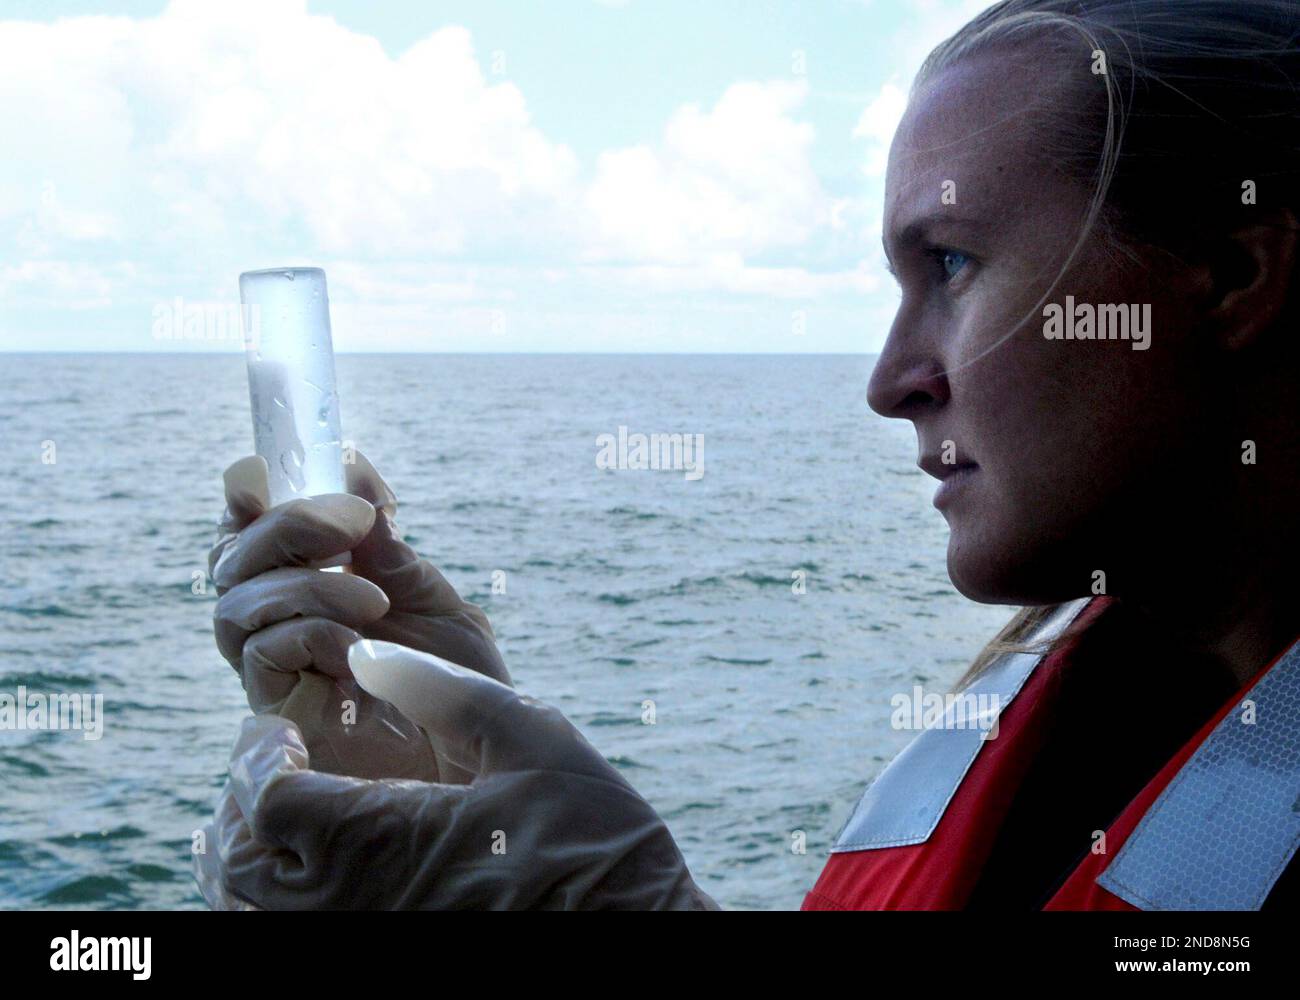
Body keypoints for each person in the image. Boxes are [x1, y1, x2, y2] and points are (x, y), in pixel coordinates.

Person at [194, 0, 1300, 910]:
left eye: (953, 264)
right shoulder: (1100, 710)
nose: (889, 380)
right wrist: (452, 771)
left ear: (1230, 276)